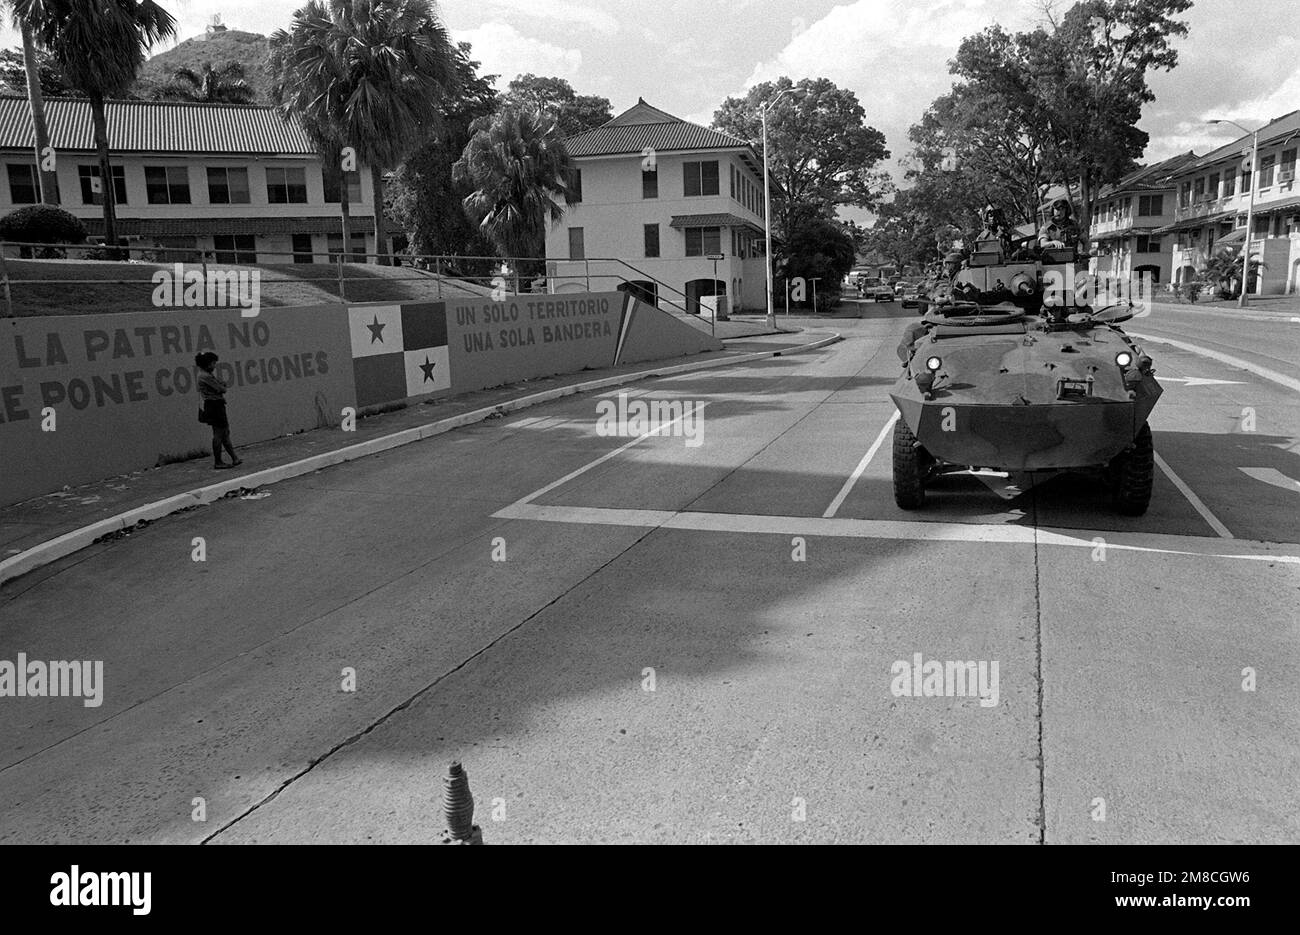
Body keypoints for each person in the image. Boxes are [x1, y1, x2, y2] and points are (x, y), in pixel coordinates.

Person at [196, 352, 242, 470]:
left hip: (216, 405)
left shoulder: (206, 374)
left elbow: (220, 385)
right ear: (207, 364)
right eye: (213, 363)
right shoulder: (205, 376)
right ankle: (218, 461)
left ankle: (234, 458)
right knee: (219, 434)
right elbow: (221, 388)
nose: (214, 365)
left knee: (225, 432)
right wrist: (222, 386)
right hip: (214, 405)